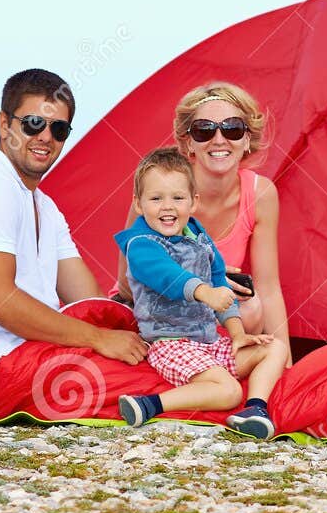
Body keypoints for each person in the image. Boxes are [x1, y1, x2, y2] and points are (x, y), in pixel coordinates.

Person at [0, 68, 147, 402]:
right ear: (4, 125)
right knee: (151, 386)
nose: (46, 137)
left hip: (38, 354)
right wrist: (99, 339)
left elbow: (88, 301)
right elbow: (0, 302)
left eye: (59, 128)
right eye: (33, 123)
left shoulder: (43, 206)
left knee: (169, 362)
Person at [114, 148, 289, 439]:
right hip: (171, 342)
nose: (167, 207)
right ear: (139, 204)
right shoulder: (141, 243)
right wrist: (205, 292)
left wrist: (237, 334)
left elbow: (220, 280)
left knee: (275, 348)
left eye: (178, 198)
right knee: (229, 391)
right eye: (156, 199)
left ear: (193, 203)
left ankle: (256, 408)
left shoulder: (197, 236)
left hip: (207, 341)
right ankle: (148, 404)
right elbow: (167, 276)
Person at [115, 82, 291, 354]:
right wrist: (203, 282)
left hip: (211, 316)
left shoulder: (261, 194)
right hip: (152, 312)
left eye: (232, 128)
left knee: (252, 309)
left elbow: (269, 289)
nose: (219, 140)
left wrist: (288, 367)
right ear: (188, 142)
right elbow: (127, 284)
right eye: (204, 130)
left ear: (247, 139)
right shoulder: (161, 192)